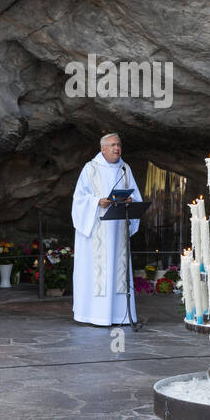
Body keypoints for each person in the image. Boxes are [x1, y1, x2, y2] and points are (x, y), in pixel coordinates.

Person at [70, 132, 143, 326]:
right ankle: (93, 315)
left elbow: (136, 196)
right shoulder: (90, 168)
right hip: (97, 231)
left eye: (118, 144)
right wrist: (97, 202)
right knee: (97, 272)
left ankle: (120, 315)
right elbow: (79, 199)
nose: (117, 148)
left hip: (118, 229)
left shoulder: (125, 169)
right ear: (103, 149)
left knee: (118, 271)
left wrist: (129, 200)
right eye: (112, 145)